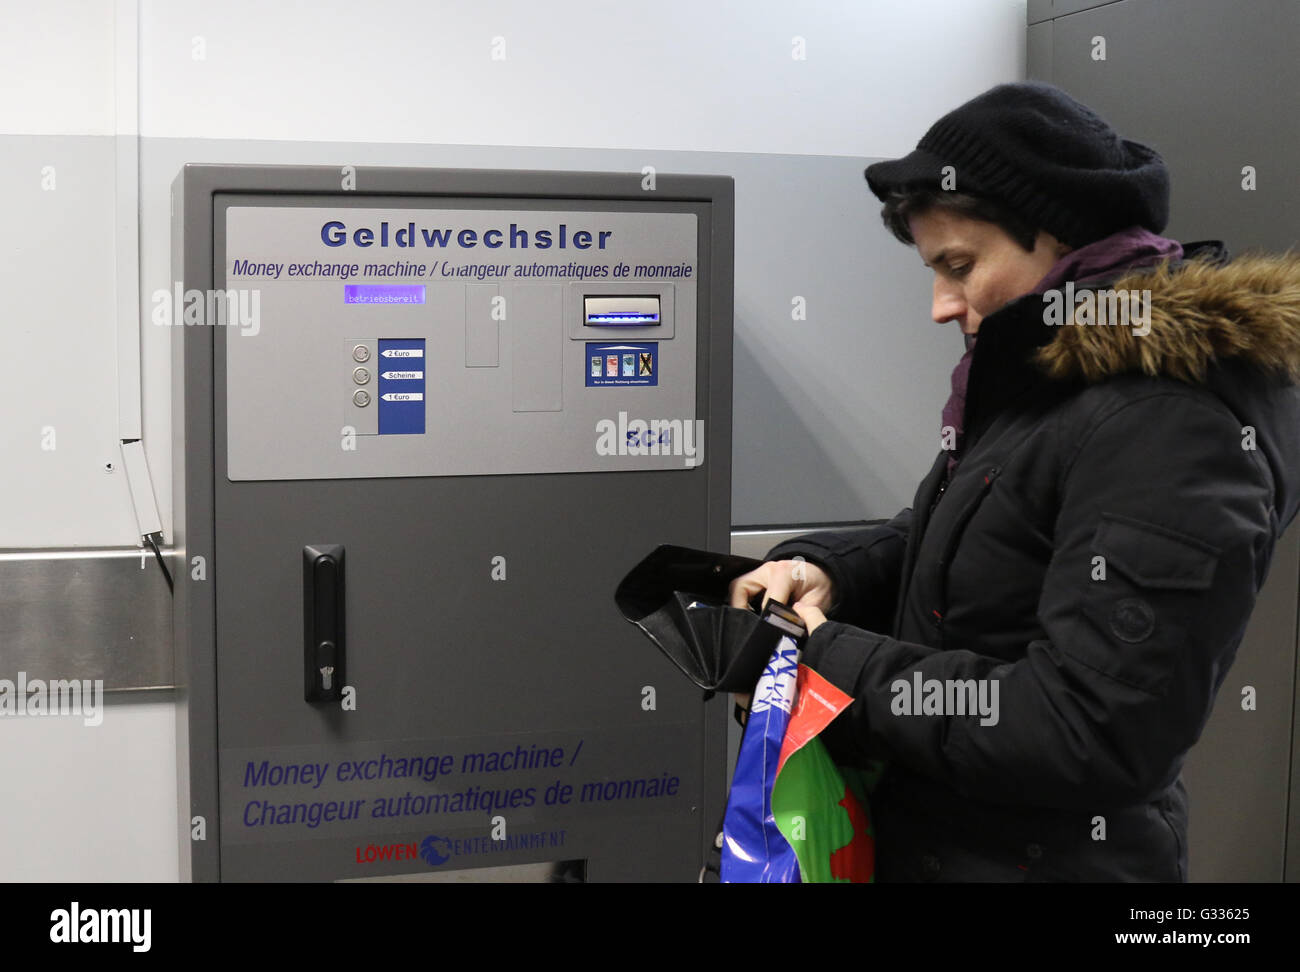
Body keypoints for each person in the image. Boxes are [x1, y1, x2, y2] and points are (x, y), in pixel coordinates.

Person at [728, 81, 1300, 881]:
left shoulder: (1169, 420)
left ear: (1059, 241)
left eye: (960, 266)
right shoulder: (1052, 380)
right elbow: (966, 532)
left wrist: (831, 660)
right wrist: (825, 568)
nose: (940, 304)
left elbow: (1088, 729)